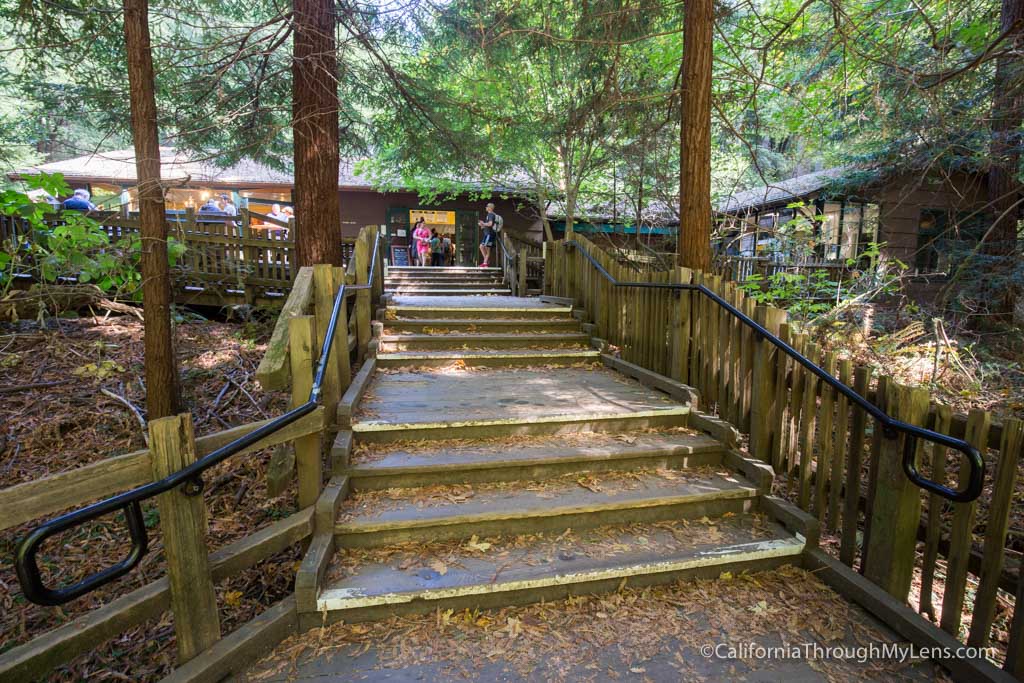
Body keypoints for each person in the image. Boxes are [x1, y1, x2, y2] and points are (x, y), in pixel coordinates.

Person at [477, 202, 497, 267]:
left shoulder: (491, 214)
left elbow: (490, 224)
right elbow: (488, 225)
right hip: (487, 234)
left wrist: (483, 223)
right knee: (482, 246)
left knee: (487, 248)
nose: (486, 207)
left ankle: (485, 263)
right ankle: (486, 261)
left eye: (487, 206)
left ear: (490, 208)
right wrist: (483, 225)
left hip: (489, 234)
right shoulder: (490, 215)